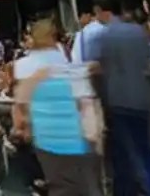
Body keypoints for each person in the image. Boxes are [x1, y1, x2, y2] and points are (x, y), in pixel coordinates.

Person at [13, 19, 102, 196]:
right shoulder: (65, 57)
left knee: (61, 185)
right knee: (85, 186)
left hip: (45, 135)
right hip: (75, 133)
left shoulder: (22, 65)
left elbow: (20, 103)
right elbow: (83, 97)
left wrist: (22, 126)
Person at [94, 0, 150, 196]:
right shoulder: (139, 32)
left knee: (122, 153)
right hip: (142, 97)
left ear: (103, 11)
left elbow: (102, 69)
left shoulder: (105, 36)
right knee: (145, 149)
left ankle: (126, 191)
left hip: (118, 98)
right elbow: (148, 66)